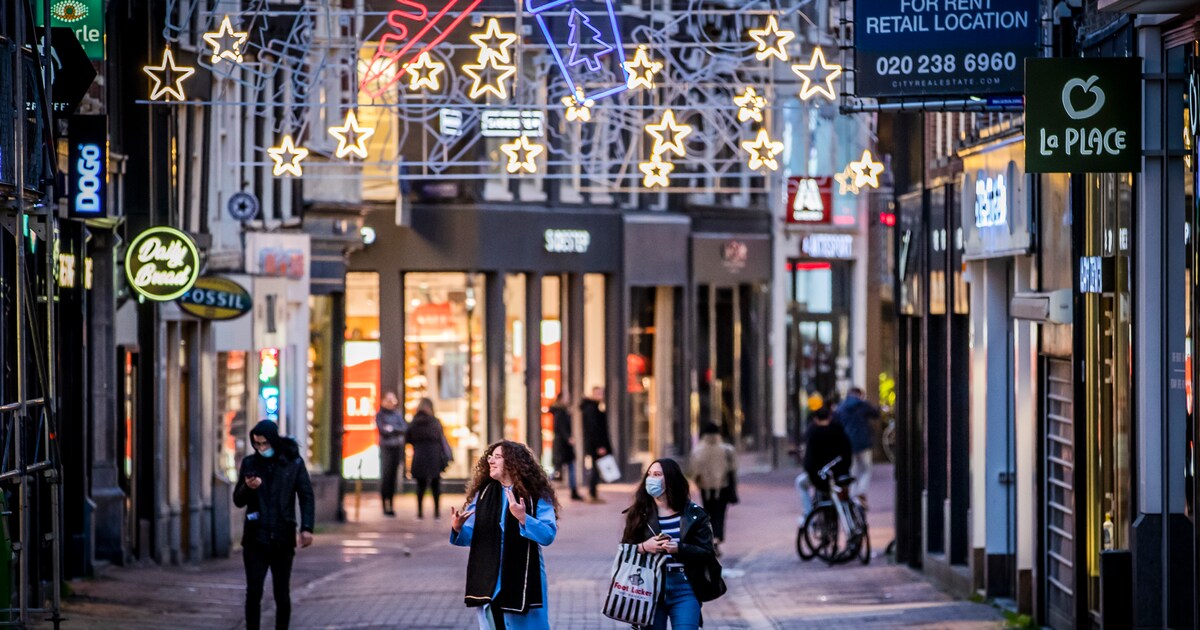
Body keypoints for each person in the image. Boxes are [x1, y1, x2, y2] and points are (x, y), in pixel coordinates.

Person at [450, 440, 559, 629]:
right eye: (490, 457)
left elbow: (547, 535)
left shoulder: (535, 494)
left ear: (512, 462)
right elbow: (473, 537)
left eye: (497, 457)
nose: (491, 461)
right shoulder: (484, 494)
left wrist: (523, 518)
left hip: (523, 577)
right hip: (490, 578)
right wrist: (458, 528)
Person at [233, 420, 315, 630]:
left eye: (264, 443)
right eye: (257, 444)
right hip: (255, 537)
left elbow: (306, 496)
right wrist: (247, 487)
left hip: (282, 537)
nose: (261, 448)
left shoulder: (292, 463)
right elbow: (238, 500)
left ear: (274, 441)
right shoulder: (250, 463)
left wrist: (307, 528)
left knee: (282, 592)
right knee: (254, 591)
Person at [622, 459, 719, 630]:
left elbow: (707, 552)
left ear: (671, 479)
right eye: (649, 475)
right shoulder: (639, 514)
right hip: (649, 587)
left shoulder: (694, 514)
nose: (651, 479)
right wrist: (645, 547)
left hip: (685, 586)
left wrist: (679, 549)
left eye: (657, 475)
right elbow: (625, 550)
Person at [795, 406, 852, 521]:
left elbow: (809, 461)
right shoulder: (839, 430)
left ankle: (808, 516)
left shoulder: (813, 433)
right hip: (840, 473)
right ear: (830, 417)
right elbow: (848, 452)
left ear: (816, 419)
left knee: (800, 483)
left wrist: (810, 470)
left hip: (820, 476)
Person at [687, 423, 736, 555]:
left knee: (708, 514)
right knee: (720, 515)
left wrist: (697, 482)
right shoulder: (727, 449)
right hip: (723, 487)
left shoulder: (698, 450)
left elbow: (694, 470)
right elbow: (732, 468)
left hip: (706, 488)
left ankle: (710, 540)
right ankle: (717, 540)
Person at [835, 386, 881, 503]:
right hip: (863, 441)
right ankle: (861, 491)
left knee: (852, 470)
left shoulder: (841, 407)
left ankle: (853, 495)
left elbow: (836, 424)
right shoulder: (863, 405)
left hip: (847, 443)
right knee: (866, 468)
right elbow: (876, 414)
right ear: (860, 394)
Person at [406, 398, 449, 520]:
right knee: (435, 485)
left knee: (420, 485)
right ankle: (437, 512)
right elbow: (440, 437)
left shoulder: (414, 422)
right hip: (434, 455)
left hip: (419, 454)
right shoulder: (435, 421)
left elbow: (408, 438)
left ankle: (420, 512)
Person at [375, 392, 407, 517]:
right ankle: (385, 505)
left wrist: (392, 428)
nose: (390, 403)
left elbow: (404, 428)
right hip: (386, 448)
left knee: (393, 477)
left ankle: (391, 504)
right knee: (386, 477)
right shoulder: (380, 415)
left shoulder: (397, 414)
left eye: (392, 400)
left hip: (396, 448)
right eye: (388, 400)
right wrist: (394, 430)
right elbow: (383, 430)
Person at [580, 386, 612, 503]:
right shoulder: (591, 409)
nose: (601, 396)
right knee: (595, 469)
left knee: (597, 468)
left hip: (595, 445)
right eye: (598, 393)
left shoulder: (594, 407)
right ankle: (592, 493)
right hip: (596, 446)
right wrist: (600, 446)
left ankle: (593, 493)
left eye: (602, 393)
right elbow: (594, 429)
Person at [551, 392, 583, 501]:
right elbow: (560, 427)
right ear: (560, 399)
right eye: (566, 397)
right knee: (561, 468)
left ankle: (573, 490)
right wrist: (568, 438)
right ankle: (573, 490)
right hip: (562, 445)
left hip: (563, 445)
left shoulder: (563, 411)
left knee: (565, 467)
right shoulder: (560, 412)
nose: (568, 399)